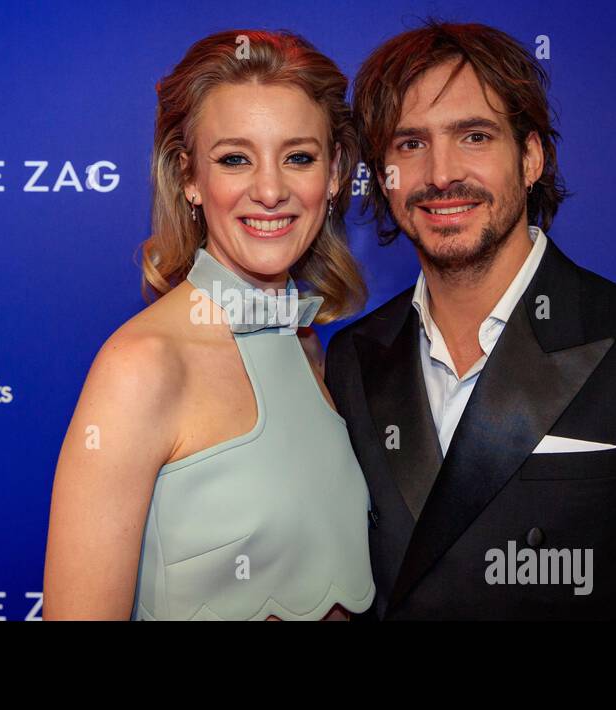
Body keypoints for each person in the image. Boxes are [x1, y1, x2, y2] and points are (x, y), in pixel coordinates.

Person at [325, 20, 616, 619]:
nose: (440, 174)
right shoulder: (353, 359)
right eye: (410, 144)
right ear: (382, 176)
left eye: (474, 136)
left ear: (530, 158)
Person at [43, 29, 374, 620]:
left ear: (334, 173)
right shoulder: (143, 365)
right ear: (190, 178)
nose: (270, 190)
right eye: (234, 159)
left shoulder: (304, 344)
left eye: (298, 157)